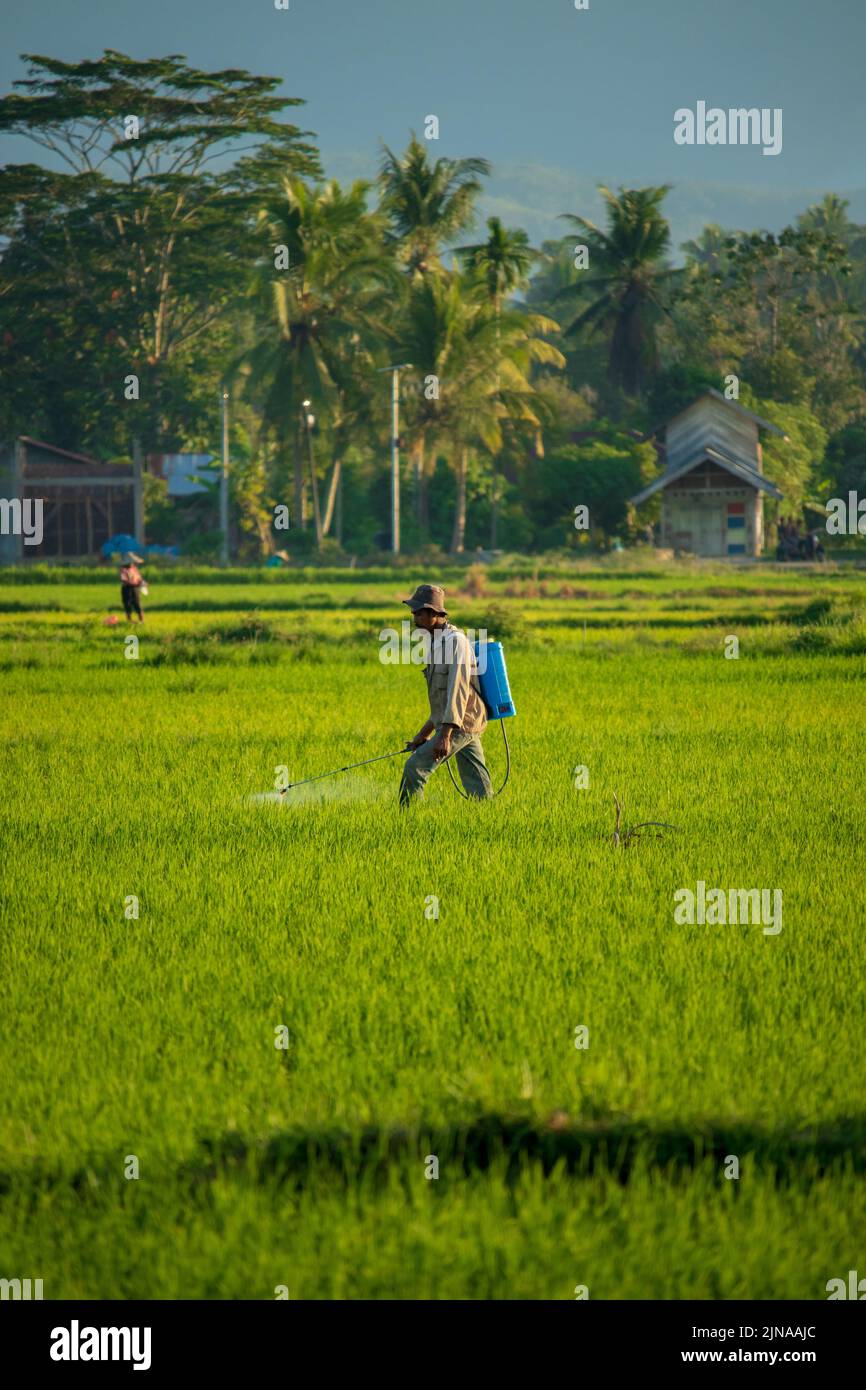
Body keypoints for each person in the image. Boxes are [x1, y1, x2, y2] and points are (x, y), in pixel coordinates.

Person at [399, 583, 492, 807]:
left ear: (434, 614)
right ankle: (489, 818)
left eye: (418, 612)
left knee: (415, 767)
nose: (414, 617)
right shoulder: (436, 642)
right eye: (413, 612)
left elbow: (457, 691)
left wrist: (445, 735)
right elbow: (440, 701)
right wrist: (423, 734)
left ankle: (408, 822)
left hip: (460, 723)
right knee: (477, 784)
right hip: (462, 723)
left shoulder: (456, 643)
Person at [119, 552, 145, 622]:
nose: (132, 563)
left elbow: (139, 578)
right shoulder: (123, 570)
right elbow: (124, 581)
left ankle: (141, 621)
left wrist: (142, 582)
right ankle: (129, 620)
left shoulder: (134, 569)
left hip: (135, 588)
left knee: (137, 603)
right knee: (128, 604)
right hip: (127, 589)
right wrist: (135, 583)